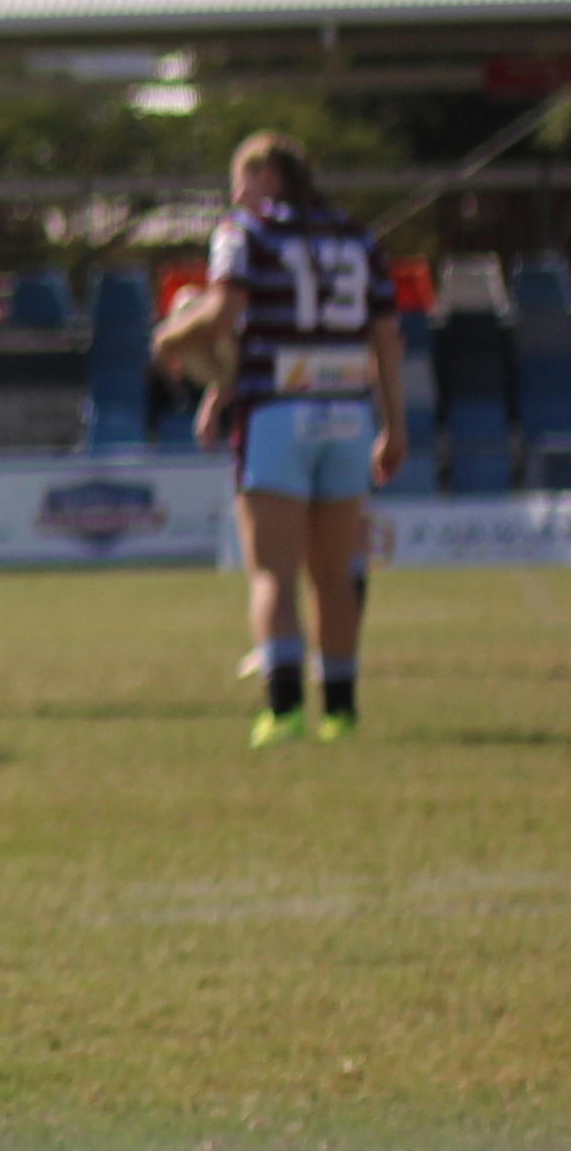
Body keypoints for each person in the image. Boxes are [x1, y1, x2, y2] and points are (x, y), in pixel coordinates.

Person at [195, 133, 397, 746]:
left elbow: (223, 315)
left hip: (277, 416)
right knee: (335, 576)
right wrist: (395, 426)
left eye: (242, 179)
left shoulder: (244, 233)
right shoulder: (358, 237)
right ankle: (341, 711)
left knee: (272, 575)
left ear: (268, 177)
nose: (235, 195)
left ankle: (283, 712)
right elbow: (386, 337)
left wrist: (171, 338)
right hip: (346, 413)